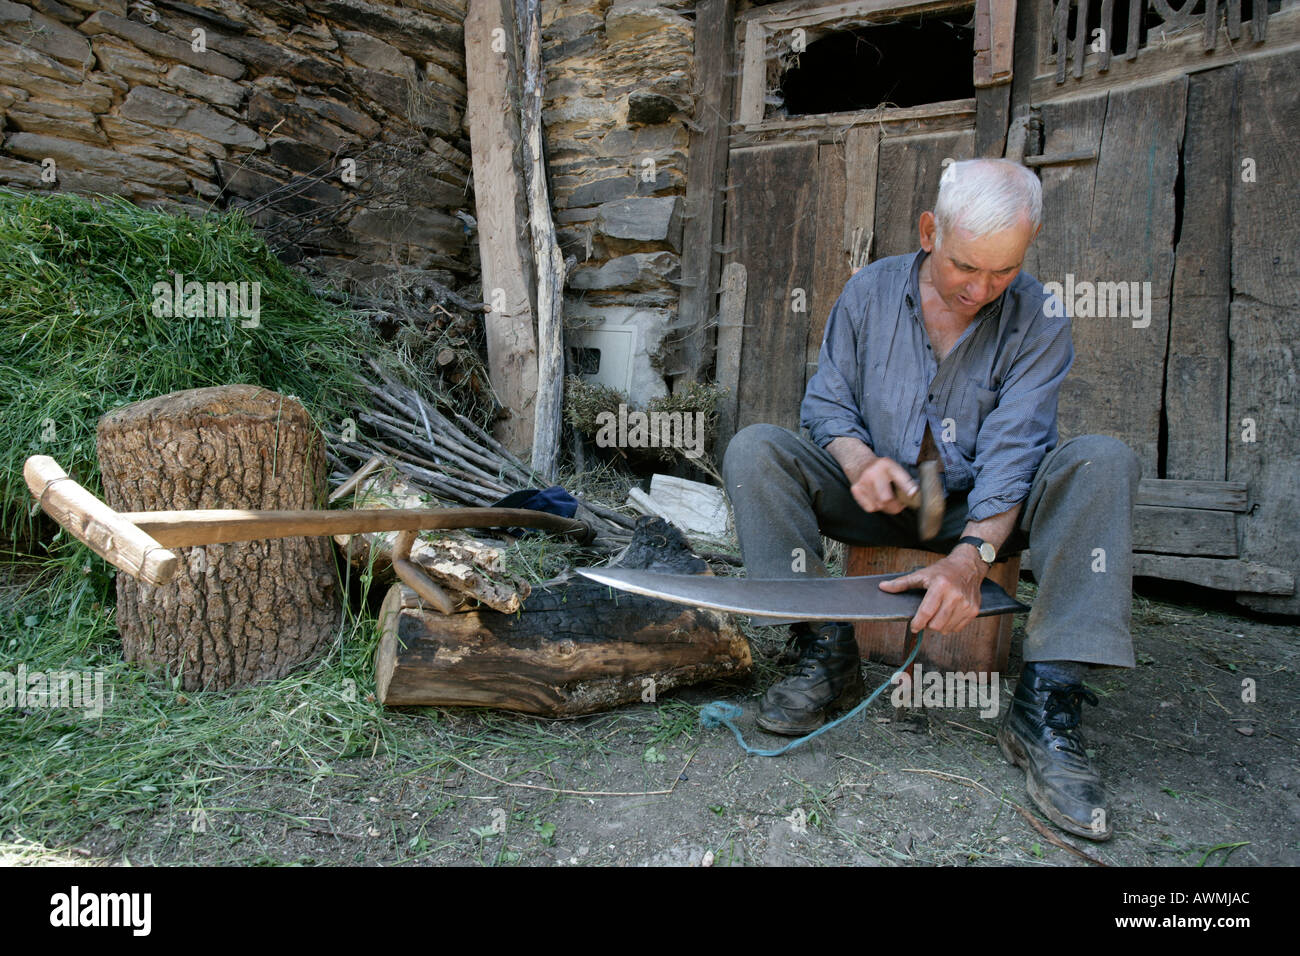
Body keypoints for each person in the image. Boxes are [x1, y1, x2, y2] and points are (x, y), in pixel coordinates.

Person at [722, 158, 1140, 841]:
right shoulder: (868, 291)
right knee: (757, 448)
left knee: (1103, 462)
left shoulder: (1040, 317)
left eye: (1003, 271)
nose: (981, 288)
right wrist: (858, 460)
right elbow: (826, 401)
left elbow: (1016, 451)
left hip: (986, 509)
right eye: (964, 267)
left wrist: (973, 556)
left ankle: (1047, 702)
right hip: (882, 498)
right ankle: (824, 652)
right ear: (928, 231)